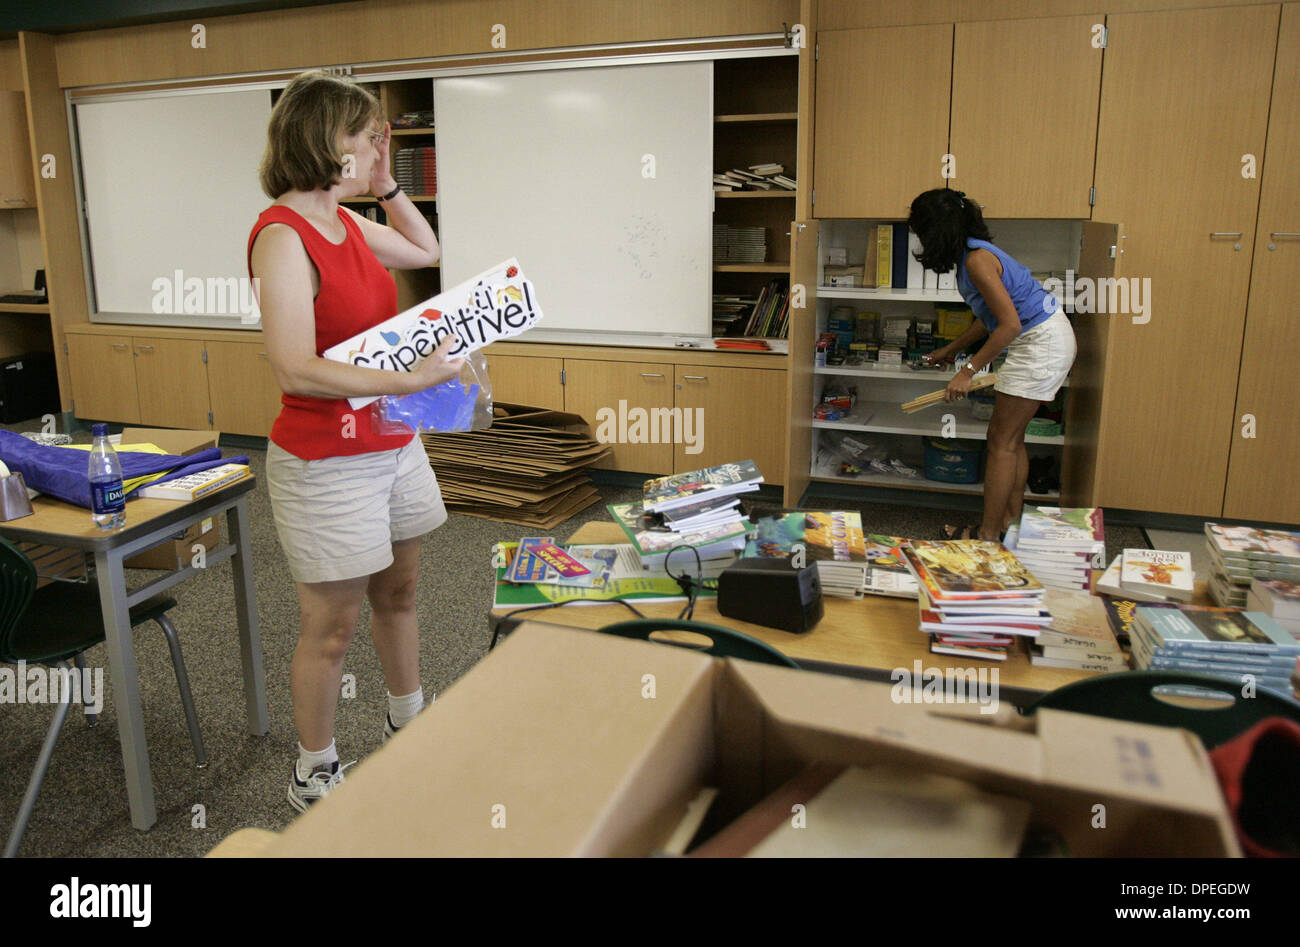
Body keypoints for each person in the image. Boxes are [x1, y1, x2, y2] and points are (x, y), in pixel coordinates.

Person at [247, 71, 464, 811]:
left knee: (400, 592)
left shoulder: (344, 218)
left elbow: (425, 247)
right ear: (319, 136)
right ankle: (315, 769)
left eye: (379, 137)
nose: (377, 145)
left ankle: (408, 717)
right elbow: (295, 367)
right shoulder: (283, 233)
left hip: (390, 442)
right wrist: (411, 380)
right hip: (324, 460)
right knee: (330, 627)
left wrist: (385, 184)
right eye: (365, 134)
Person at [908, 188, 1076, 542]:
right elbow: (989, 319)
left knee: (1000, 441)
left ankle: (987, 536)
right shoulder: (974, 254)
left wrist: (966, 373)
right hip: (1044, 338)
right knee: (1012, 440)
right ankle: (1010, 526)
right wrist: (949, 351)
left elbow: (1010, 325)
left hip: (1040, 343)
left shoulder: (976, 261)